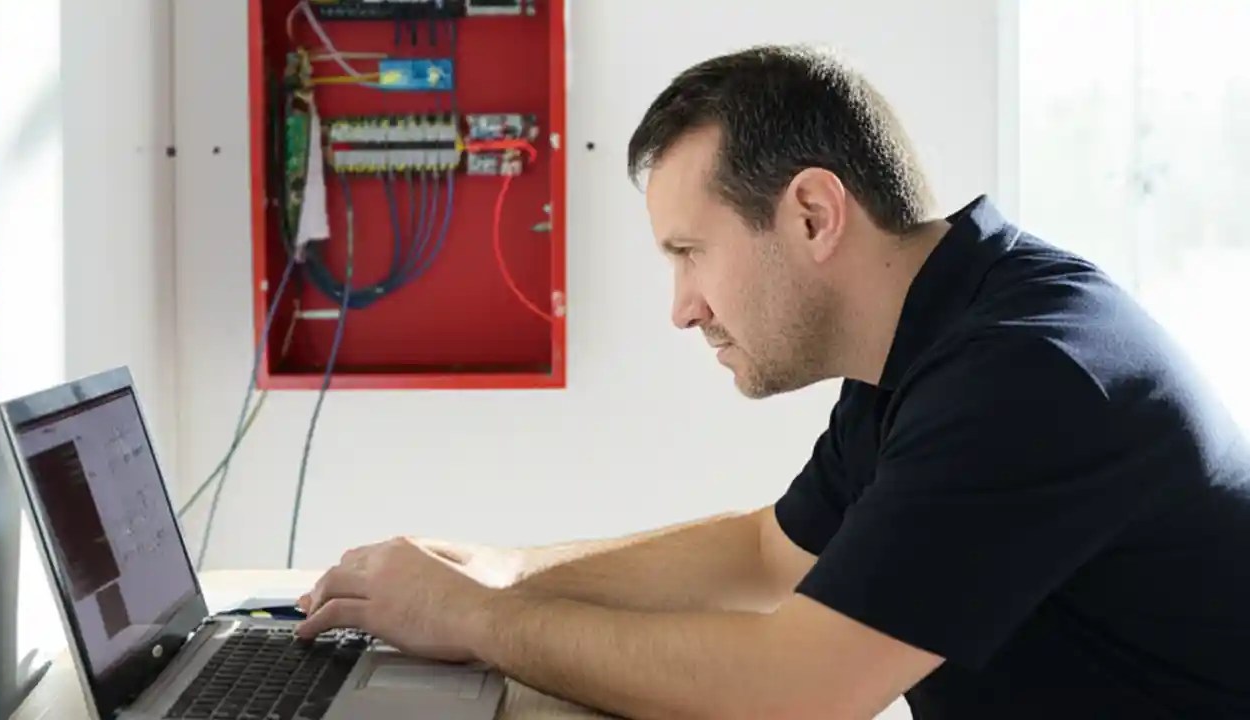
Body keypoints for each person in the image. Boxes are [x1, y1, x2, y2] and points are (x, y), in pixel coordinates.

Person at [295, 45, 1250, 719]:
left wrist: (474, 620)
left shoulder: (1027, 376)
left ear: (812, 214)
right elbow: (770, 551)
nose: (683, 308)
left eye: (690, 253)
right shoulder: (934, 333)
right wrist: (506, 572)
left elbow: (796, 692)